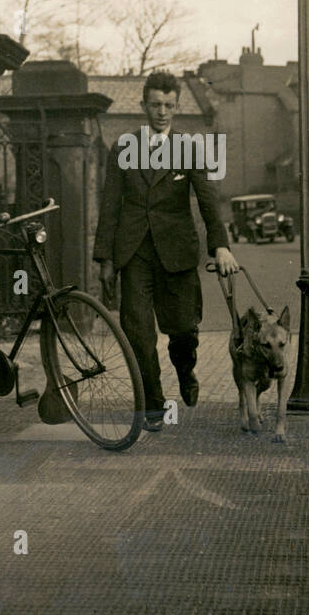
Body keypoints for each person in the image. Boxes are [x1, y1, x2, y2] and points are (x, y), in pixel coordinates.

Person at [93, 70, 238, 430]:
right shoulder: (124, 147)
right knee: (139, 332)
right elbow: (110, 203)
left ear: (176, 107)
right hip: (135, 252)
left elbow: (207, 200)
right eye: (155, 104)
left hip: (177, 253)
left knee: (184, 330)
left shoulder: (189, 149)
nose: (161, 112)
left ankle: (186, 370)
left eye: (168, 106)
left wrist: (220, 246)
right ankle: (153, 406)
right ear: (143, 105)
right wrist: (106, 258)